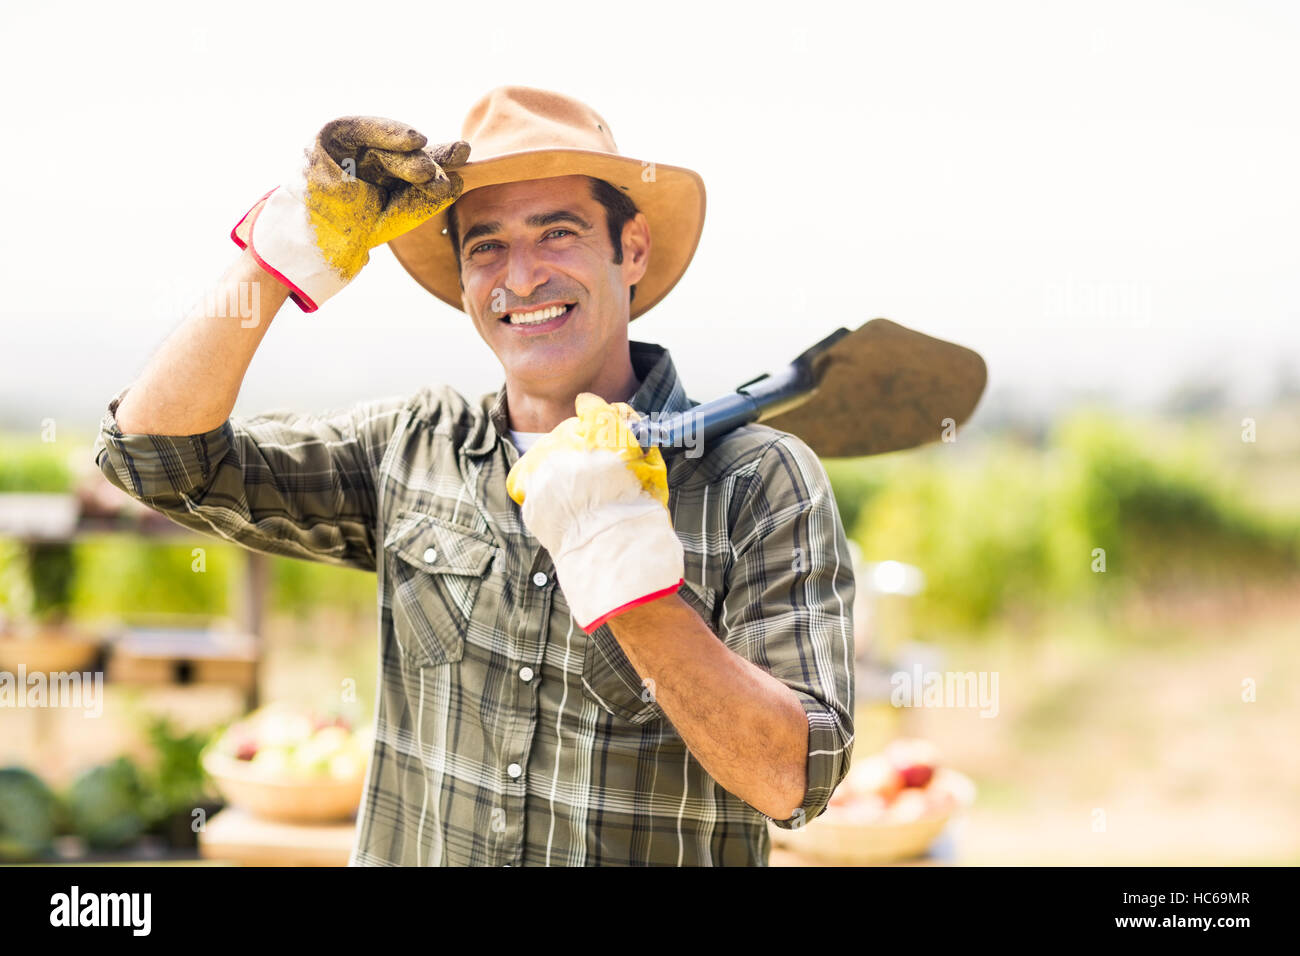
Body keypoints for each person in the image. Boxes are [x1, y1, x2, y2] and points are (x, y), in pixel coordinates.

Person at [92, 85, 855, 866]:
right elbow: (156, 457)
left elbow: (792, 779)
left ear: (631, 248)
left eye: (557, 233)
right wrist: (278, 252)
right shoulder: (411, 447)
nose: (520, 278)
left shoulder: (757, 481)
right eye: (485, 245)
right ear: (461, 280)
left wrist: (626, 574)